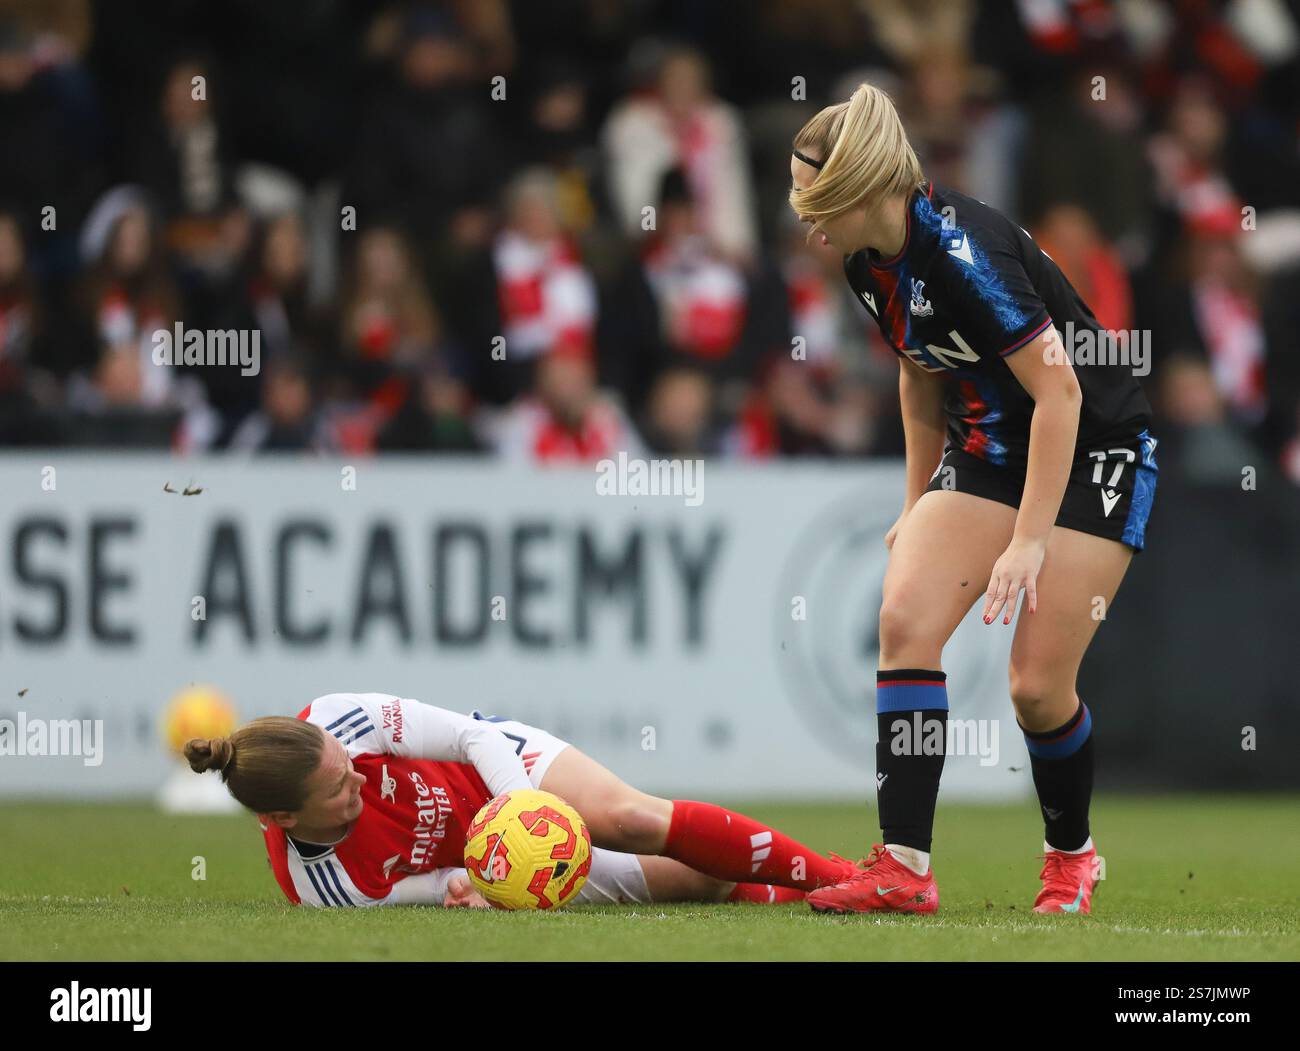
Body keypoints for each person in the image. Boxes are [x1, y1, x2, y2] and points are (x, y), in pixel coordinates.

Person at [787, 84, 1158, 916]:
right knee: (904, 621)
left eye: (814, 199)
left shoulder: (965, 254)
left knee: (1034, 687)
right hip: (992, 451)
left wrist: (1028, 542)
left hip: (1095, 445)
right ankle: (904, 867)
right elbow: (919, 374)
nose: (805, 221)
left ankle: (1072, 855)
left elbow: (1061, 396)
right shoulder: (863, 263)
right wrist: (916, 501)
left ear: (859, 185)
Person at [185, 692, 858, 908]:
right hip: (494, 861)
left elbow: (469, 734)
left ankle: (847, 879)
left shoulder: (339, 717)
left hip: (502, 769)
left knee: (629, 818)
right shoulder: (325, 885)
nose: (357, 778)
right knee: (704, 881)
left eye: (349, 768)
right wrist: (472, 885)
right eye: (338, 789)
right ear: (282, 818)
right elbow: (434, 884)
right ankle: (788, 894)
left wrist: (520, 811)